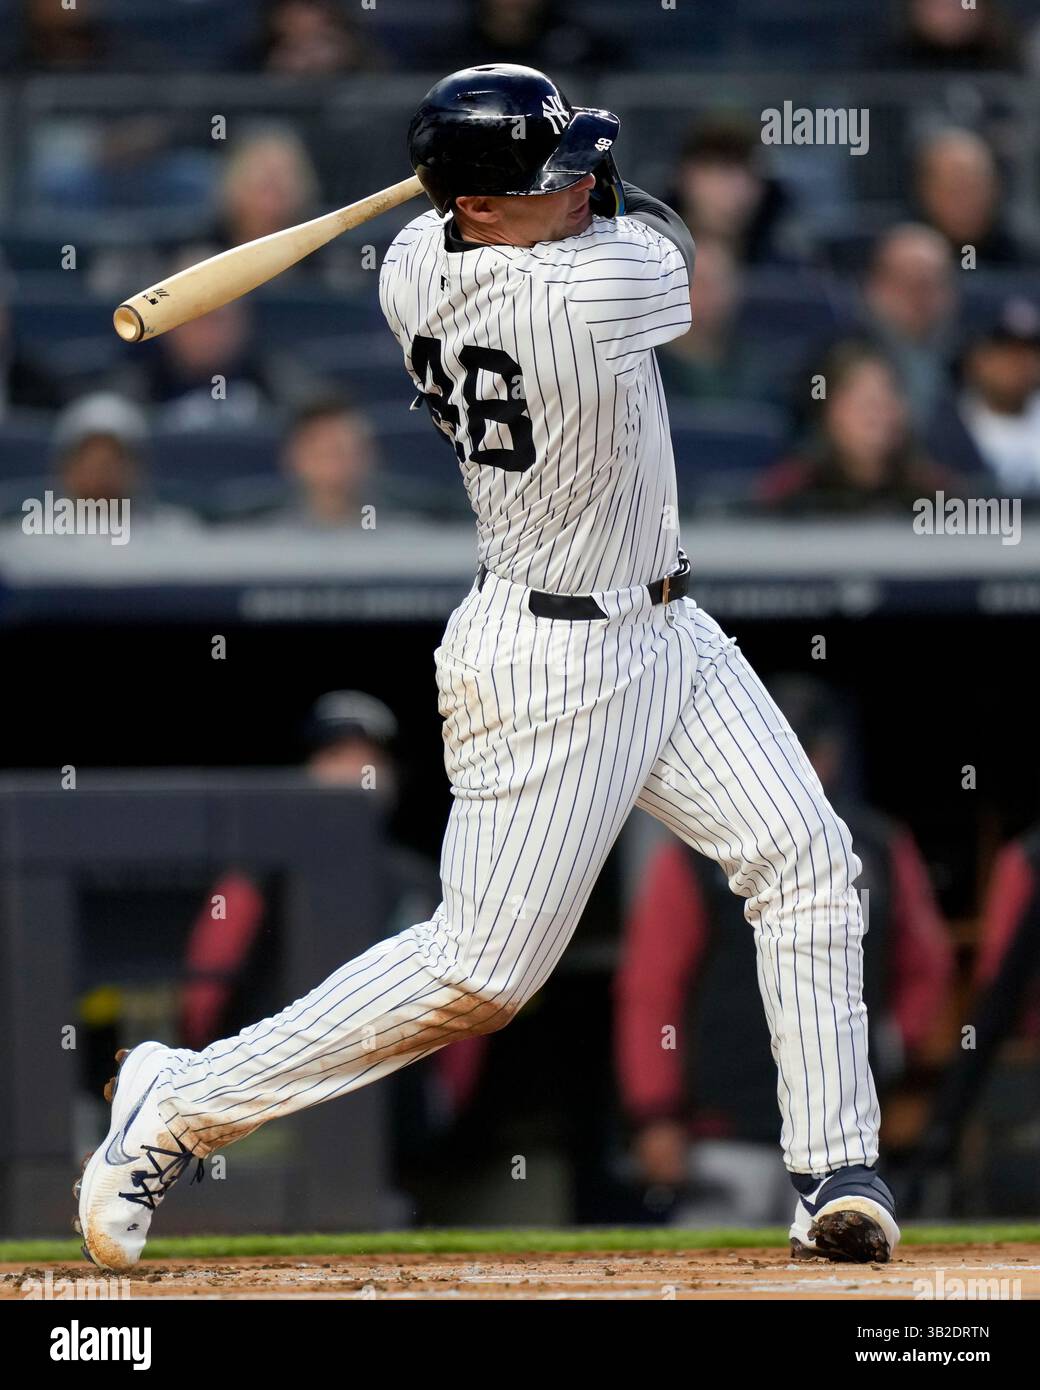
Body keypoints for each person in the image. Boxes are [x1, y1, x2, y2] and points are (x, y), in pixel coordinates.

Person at [78, 65, 901, 1271]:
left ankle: (832, 1168)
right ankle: (179, 1100)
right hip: (553, 664)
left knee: (806, 862)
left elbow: (534, 201)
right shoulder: (587, 291)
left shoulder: (414, 263)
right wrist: (555, 184)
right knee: (478, 973)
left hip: (662, 626)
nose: (578, 191)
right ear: (480, 207)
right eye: (550, 181)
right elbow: (664, 240)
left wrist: (513, 171)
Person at [615, 677, 953, 1225]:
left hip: (845, 1143)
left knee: (851, 1287)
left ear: (830, 756)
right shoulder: (701, 851)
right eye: (783, 750)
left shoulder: (878, 846)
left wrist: (890, 1044)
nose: (799, 768)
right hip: (725, 1135)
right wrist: (656, 1112)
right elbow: (653, 989)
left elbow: (927, 968)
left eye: (808, 751)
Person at [758, 339, 956, 513]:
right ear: (829, 411)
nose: (878, 412)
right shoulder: (789, 492)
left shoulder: (935, 492)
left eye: (888, 395)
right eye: (862, 400)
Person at [860, 224, 959, 428]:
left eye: (930, 284)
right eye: (904, 281)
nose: (918, 297)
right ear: (874, 287)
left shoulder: (971, 361)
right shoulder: (843, 358)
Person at [953, 298, 1040, 494]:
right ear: (976, 357)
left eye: (1029, 351)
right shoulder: (946, 424)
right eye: (1005, 351)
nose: (1017, 363)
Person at [913, 129, 1032, 269]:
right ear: (927, 190)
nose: (967, 201)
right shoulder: (905, 256)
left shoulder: (1022, 259)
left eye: (976, 186)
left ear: (995, 188)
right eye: (955, 189)